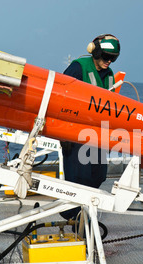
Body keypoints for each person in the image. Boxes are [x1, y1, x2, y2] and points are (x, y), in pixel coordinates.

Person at [60, 34, 120, 220]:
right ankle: (73, 215)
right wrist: (65, 133)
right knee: (79, 177)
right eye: (105, 57)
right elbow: (60, 94)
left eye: (113, 58)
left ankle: (81, 212)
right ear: (94, 52)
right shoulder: (79, 67)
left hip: (98, 135)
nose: (109, 61)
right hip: (76, 134)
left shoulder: (109, 74)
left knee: (98, 175)